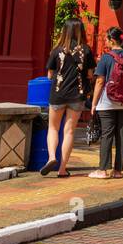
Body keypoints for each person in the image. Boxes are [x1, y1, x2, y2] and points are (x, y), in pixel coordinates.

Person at [42, 19, 95, 177]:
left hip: (58, 94)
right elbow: (90, 75)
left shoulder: (57, 50)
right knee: (69, 131)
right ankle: (62, 169)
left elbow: (50, 74)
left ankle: (52, 157)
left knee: (53, 128)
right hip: (77, 96)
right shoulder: (86, 50)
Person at [88, 26, 123, 179]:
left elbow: (100, 81)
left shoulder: (106, 57)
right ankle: (118, 171)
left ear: (111, 40)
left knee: (107, 135)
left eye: (106, 40)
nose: (106, 42)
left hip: (107, 102)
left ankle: (103, 170)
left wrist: (94, 103)